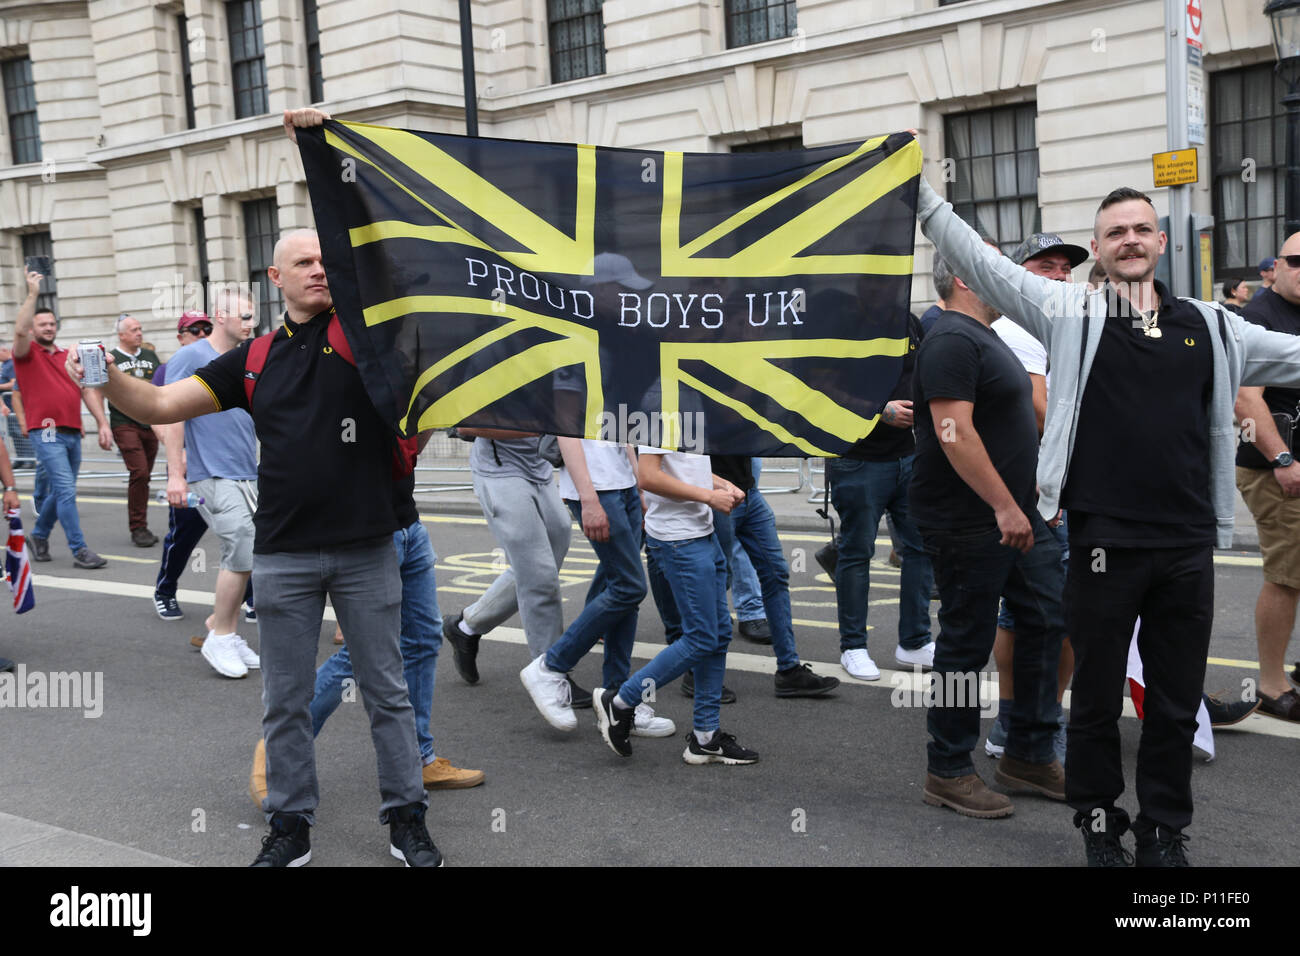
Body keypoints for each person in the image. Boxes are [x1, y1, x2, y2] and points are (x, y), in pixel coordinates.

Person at [916, 172, 1300, 866]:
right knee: (1093, 701)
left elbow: (1295, 357)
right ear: (1099, 247)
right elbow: (982, 264)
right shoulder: (1070, 313)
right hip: (1101, 542)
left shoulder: (1214, 327)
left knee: (1175, 704)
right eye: (1114, 231)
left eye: (1139, 229)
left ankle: (1163, 831)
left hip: (1185, 547)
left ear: (1160, 241)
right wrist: (918, 196)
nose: (1129, 240)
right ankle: (1098, 821)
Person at [69, 175, 441, 866]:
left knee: (387, 694)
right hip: (285, 555)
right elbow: (155, 406)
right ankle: (291, 825)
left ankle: (406, 818)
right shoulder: (255, 358)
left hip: (367, 549)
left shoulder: (367, 337)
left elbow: (395, 274)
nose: (320, 270)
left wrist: (327, 155)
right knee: (285, 702)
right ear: (277, 277)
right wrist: (100, 378)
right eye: (305, 263)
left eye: (328, 261)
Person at [911, 253, 1066, 822]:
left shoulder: (988, 335)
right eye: (990, 268)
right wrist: (1004, 505)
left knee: (1047, 617)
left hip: (1017, 513)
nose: (1007, 280)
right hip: (972, 520)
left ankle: (1027, 751)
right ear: (961, 277)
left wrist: (1027, 503)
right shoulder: (952, 337)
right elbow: (954, 433)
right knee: (965, 643)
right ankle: (947, 769)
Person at [251, 471, 485, 796]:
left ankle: (419, 757)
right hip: (369, 529)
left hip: (407, 520)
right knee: (364, 655)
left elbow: (409, 443)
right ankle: (278, 751)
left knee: (422, 639)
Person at [985, 233, 1087, 763]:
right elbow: (1042, 410)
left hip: (1048, 495)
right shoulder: (1019, 328)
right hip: (1041, 498)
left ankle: (1026, 719)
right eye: (1046, 267)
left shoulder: (1065, 326)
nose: (1060, 276)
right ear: (1020, 275)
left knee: (1035, 614)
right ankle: (1031, 722)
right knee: (1044, 615)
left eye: (1066, 269)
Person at [594, 447, 759, 765]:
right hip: (679, 540)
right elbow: (648, 476)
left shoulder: (691, 404)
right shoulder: (663, 405)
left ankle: (706, 737)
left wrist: (720, 483)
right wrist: (709, 497)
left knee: (720, 633)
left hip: (702, 533)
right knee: (701, 637)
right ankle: (622, 699)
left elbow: (685, 467)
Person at [520, 438, 674, 735]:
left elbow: (623, 429)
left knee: (626, 593)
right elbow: (566, 434)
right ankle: (550, 666)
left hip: (623, 485)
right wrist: (588, 498)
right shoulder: (573, 387)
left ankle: (617, 698)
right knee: (629, 587)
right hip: (597, 490)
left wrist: (638, 484)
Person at [156, 292, 259, 679]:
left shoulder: (246, 358)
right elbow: (171, 412)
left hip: (246, 471)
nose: (251, 322)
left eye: (254, 316)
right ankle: (222, 636)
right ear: (221, 316)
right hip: (209, 471)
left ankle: (221, 627)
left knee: (253, 553)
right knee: (242, 543)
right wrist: (176, 474)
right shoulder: (191, 356)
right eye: (244, 316)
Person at [828, 309, 935, 681]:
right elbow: (816, 385)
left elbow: (916, 375)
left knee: (921, 547)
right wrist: (877, 410)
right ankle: (853, 647)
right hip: (858, 460)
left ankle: (914, 641)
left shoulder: (907, 319)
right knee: (858, 553)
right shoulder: (841, 318)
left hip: (907, 456)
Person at [441, 432, 586, 703]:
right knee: (540, 576)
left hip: (539, 469)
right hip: (499, 473)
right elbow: (464, 428)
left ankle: (466, 626)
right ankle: (551, 674)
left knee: (542, 560)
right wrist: (539, 426)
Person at [1234, 236, 1300, 724]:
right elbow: (1245, 399)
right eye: (1296, 260)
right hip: (1277, 471)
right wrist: (1281, 458)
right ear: (1275, 267)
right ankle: (1273, 684)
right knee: (1286, 575)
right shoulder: (1261, 315)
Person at [710, 454, 841, 698]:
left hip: (749, 493)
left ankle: (789, 670)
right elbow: (681, 464)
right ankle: (702, 675)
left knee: (776, 573)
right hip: (717, 495)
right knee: (718, 581)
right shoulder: (694, 415)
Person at [12, 268, 110, 569]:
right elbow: (18, 333)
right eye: (42, 324)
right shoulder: (25, 354)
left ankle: (39, 536)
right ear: (32, 328)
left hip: (72, 431)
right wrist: (32, 295)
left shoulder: (68, 355)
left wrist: (102, 423)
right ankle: (79, 549)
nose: (49, 327)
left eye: (52, 323)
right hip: (47, 430)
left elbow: (87, 390)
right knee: (66, 490)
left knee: (59, 490)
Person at [103, 314, 162, 547]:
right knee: (139, 472)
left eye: (140, 328)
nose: (139, 333)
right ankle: (138, 527)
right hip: (124, 422)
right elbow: (95, 390)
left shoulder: (150, 356)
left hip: (150, 422)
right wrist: (101, 425)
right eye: (134, 329)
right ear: (121, 335)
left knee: (144, 475)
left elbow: (161, 387)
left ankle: (142, 523)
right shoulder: (111, 358)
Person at [0, 346, 35, 470]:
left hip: (15, 405)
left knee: (20, 432)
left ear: (4, 350)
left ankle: (29, 460)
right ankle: (21, 459)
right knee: (14, 434)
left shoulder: (11, 364)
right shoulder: (5, 365)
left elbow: (13, 383)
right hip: (9, 406)